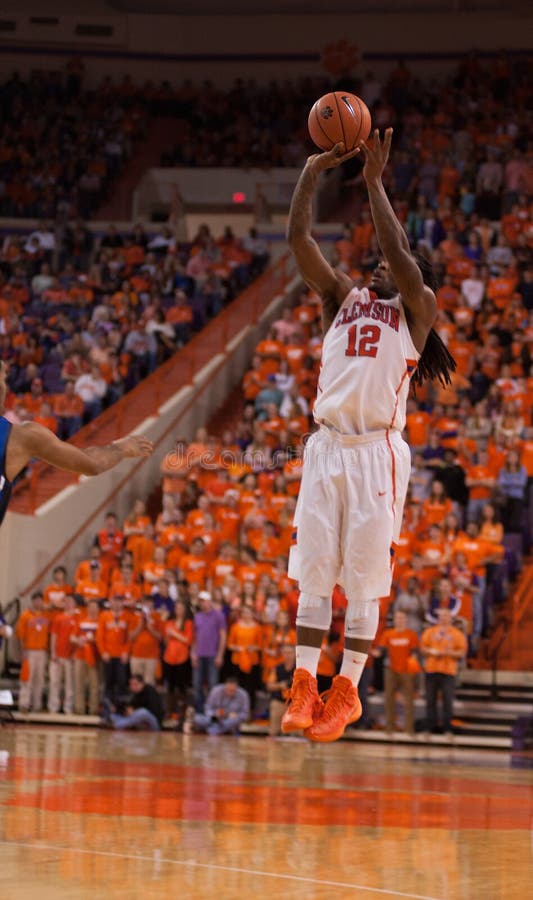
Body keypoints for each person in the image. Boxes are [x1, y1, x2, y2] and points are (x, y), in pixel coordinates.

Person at [281, 129, 455, 743]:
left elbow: (401, 256)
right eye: (376, 262)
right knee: (312, 570)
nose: (379, 264)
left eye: (390, 262)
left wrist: (375, 184)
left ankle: (346, 689)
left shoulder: (416, 307)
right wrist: (311, 171)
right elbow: (300, 239)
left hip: (377, 452)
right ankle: (305, 683)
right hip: (326, 446)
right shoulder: (339, 298)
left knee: (362, 576)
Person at [0, 360, 153, 528]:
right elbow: (91, 463)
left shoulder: (20, 436)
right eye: (2, 381)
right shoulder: (21, 437)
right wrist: (120, 448)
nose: (4, 388)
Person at [420, 608, 467, 735]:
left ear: (451, 618)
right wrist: (431, 652)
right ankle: (430, 727)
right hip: (432, 669)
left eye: (446, 616)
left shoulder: (457, 634)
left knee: (448, 701)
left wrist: (448, 653)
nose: (443, 618)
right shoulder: (430, 631)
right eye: (441, 616)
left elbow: (461, 652)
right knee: (430, 700)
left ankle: (447, 728)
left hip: (448, 671)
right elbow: (423, 648)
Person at [266, 644, 296, 737]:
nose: (287, 655)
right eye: (285, 653)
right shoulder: (277, 668)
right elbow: (269, 686)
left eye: (290, 653)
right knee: (273, 731)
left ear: (295, 654)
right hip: (279, 700)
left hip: (295, 702)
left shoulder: (299, 669)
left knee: (298, 732)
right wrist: (280, 685)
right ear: (282, 654)